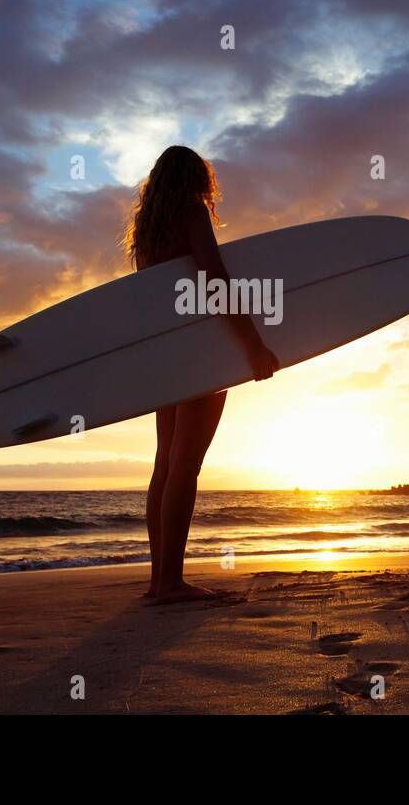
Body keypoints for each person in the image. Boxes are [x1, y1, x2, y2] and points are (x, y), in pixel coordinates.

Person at [123, 145, 280, 603]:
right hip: (199, 352)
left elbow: (154, 299)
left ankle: (159, 581)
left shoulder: (146, 232)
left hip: (164, 354)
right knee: (185, 466)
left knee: (164, 465)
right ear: (198, 180)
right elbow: (216, 279)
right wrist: (253, 346)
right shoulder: (192, 212)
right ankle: (170, 583)